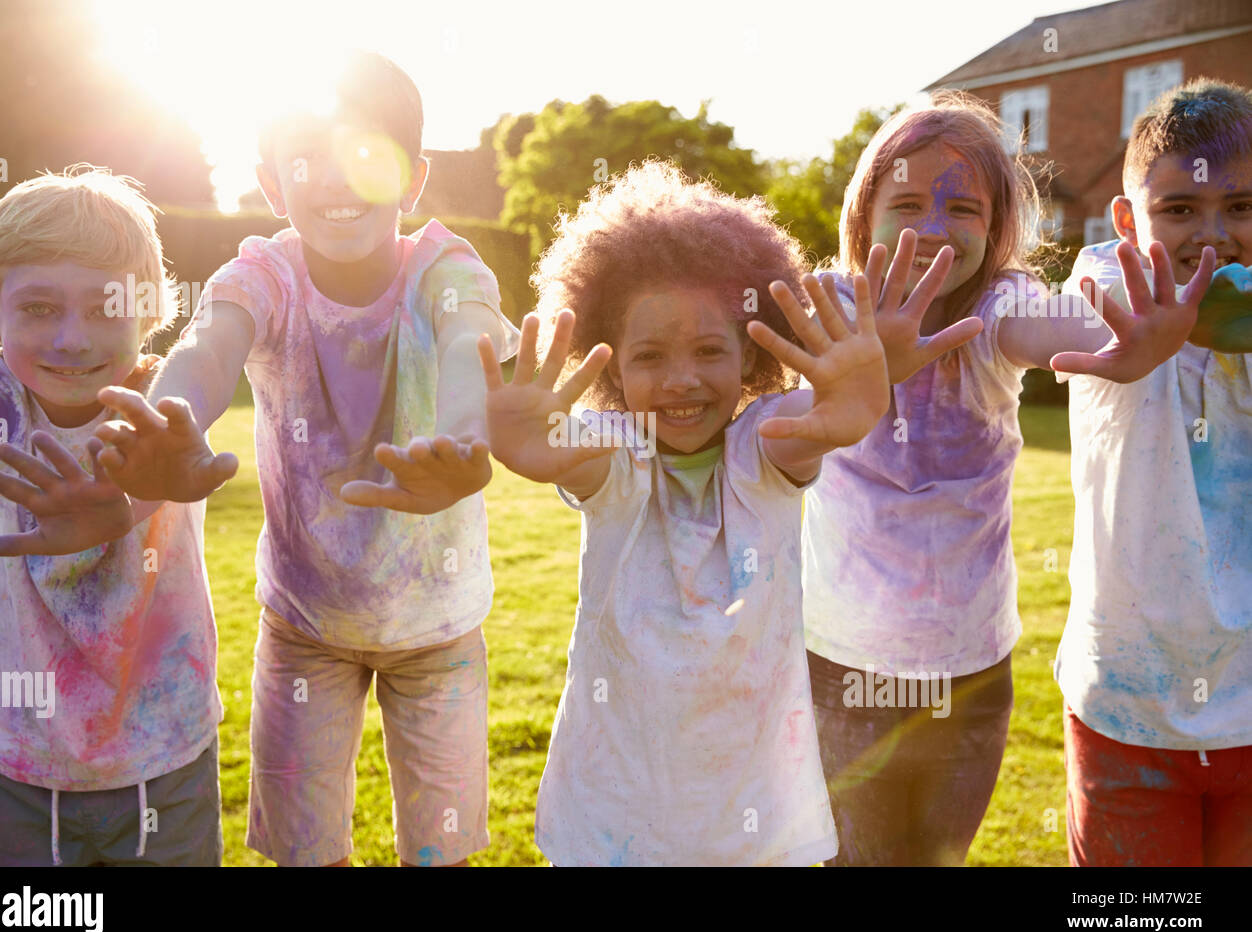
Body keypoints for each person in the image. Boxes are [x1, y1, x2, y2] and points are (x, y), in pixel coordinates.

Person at [90, 52, 520, 866]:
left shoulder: (445, 267)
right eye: (306, 157)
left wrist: (466, 437)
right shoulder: (263, 275)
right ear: (273, 184)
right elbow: (210, 347)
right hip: (305, 626)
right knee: (303, 852)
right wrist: (169, 417)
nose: (336, 176)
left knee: (444, 850)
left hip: (439, 628)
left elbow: (470, 336)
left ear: (414, 178)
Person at [801, 90, 1215, 865]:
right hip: (842, 672)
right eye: (908, 201)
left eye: (964, 209)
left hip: (970, 677)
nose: (932, 228)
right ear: (863, 218)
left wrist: (1132, 333)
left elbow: (1061, 324)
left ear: (993, 232)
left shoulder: (998, 307)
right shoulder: (831, 308)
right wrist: (860, 373)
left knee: (932, 861)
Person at [478, 160, 891, 865]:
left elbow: (814, 418)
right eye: (649, 356)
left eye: (709, 349)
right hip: (620, 802)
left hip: (753, 807)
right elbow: (569, 451)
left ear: (752, 356)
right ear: (610, 371)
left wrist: (848, 410)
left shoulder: (764, 447)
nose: (682, 379)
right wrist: (529, 445)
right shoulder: (618, 455)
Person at [0, 166, 223, 865]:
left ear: (148, 313)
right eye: (39, 309)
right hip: (22, 755)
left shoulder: (160, 397)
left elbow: (181, 448)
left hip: (165, 749)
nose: (73, 339)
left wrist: (144, 492)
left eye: (106, 308)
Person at [1054, 77, 1252, 866]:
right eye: (1180, 210)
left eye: (1242, 207)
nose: (1213, 238)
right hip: (1126, 712)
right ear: (1128, 222)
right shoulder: (1105, 292)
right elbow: (1094, 301)